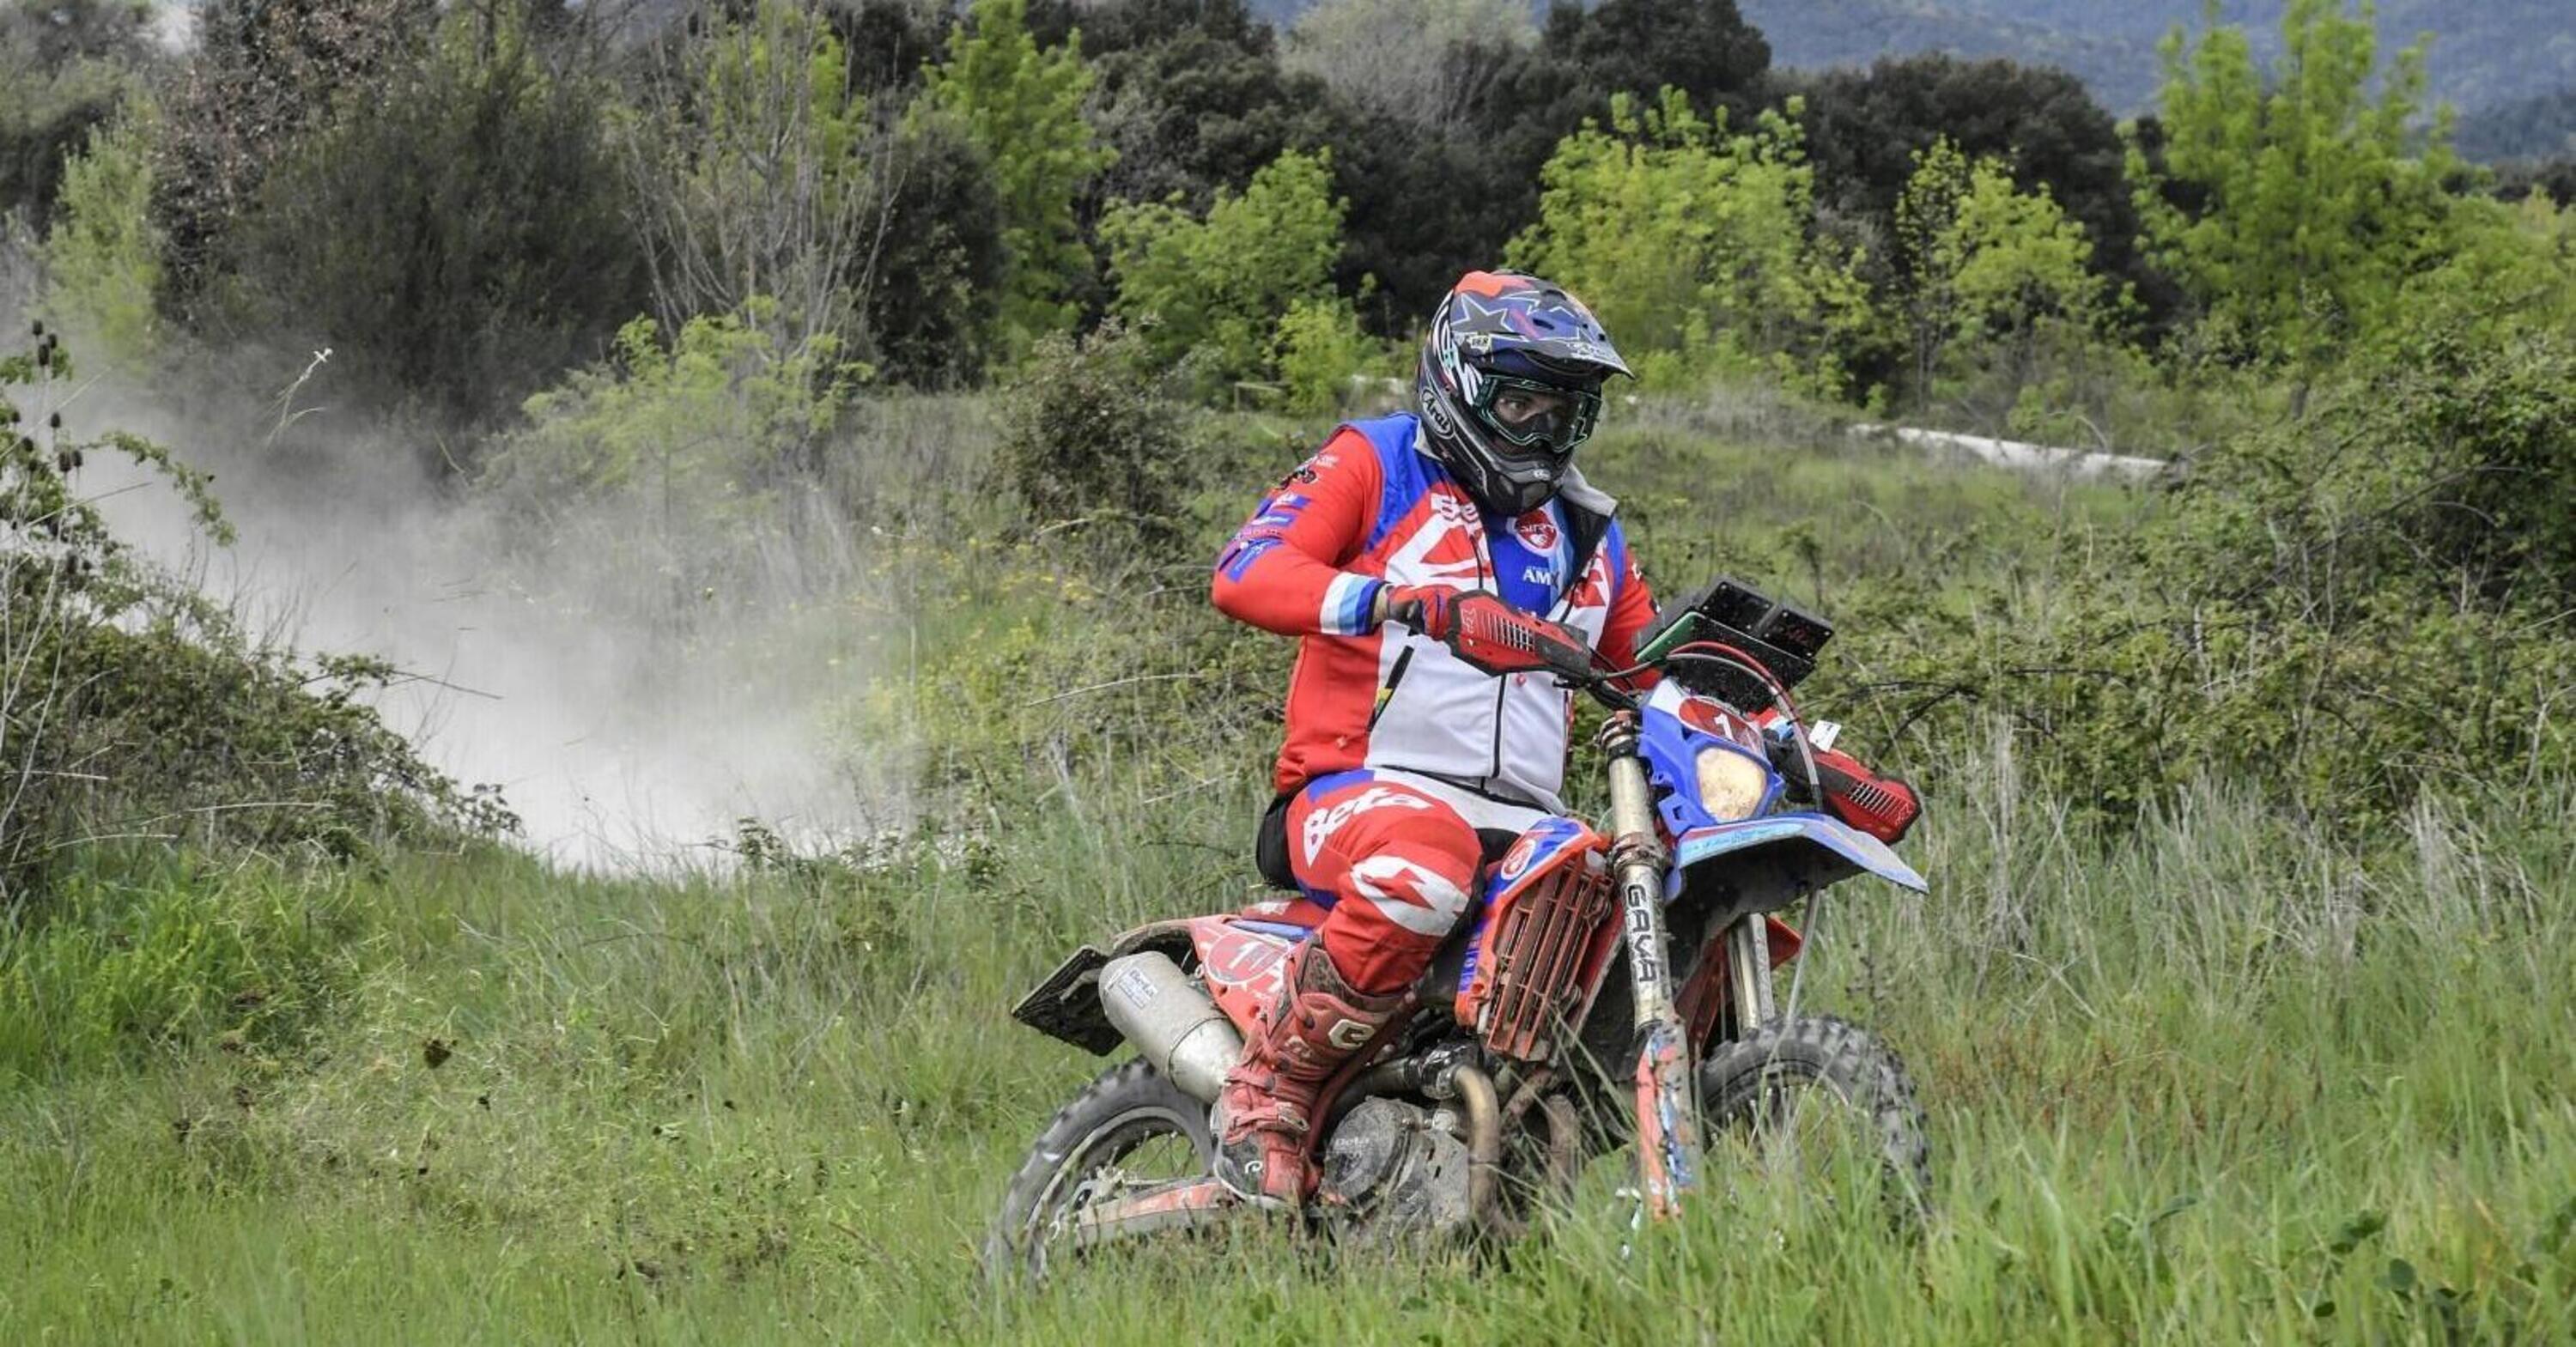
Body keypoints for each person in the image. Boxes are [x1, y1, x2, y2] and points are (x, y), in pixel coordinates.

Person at [1204, 270, 1920, 1207]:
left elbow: (1649, 677)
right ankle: (1273, 1095)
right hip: (1351, 791)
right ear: (1460, 382)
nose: (1544, 429)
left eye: (1566, 410)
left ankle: (1536, 1144)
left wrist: (1801, 760)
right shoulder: (1376, 462)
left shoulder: (1587, 538)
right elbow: (1245, 571)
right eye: (1523, 400)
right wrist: (1401, 600)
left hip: (1521, 823)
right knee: (1427, 861)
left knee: (1646, 906)